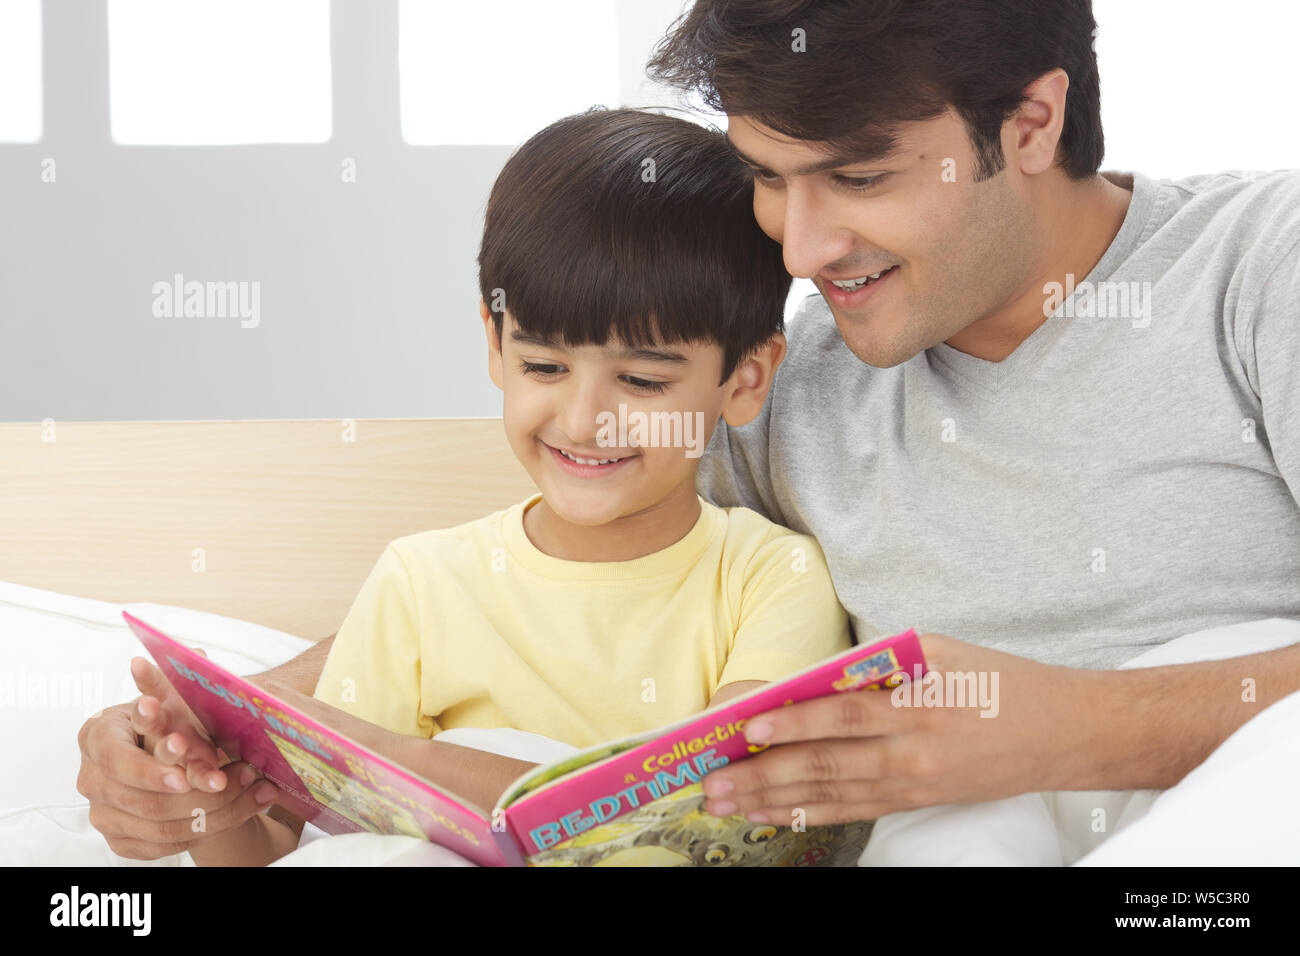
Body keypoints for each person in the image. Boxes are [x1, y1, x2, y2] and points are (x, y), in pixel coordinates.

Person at [78, 107, 855, 863]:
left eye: (642, 381)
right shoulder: (423, 582)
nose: (584, 422)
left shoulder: (771, 577)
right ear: (495, 343)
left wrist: (376, 753)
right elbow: (276, 840)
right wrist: (209, 787)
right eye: (544, 367)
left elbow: (698, 813)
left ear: (745, 379)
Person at [642, 0, 1300, 855]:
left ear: (1031, 125)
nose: (798, 252)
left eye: (860, 178)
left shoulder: (1259, 266)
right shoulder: (771, 388)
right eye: (769, 177)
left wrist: (1068, 728)